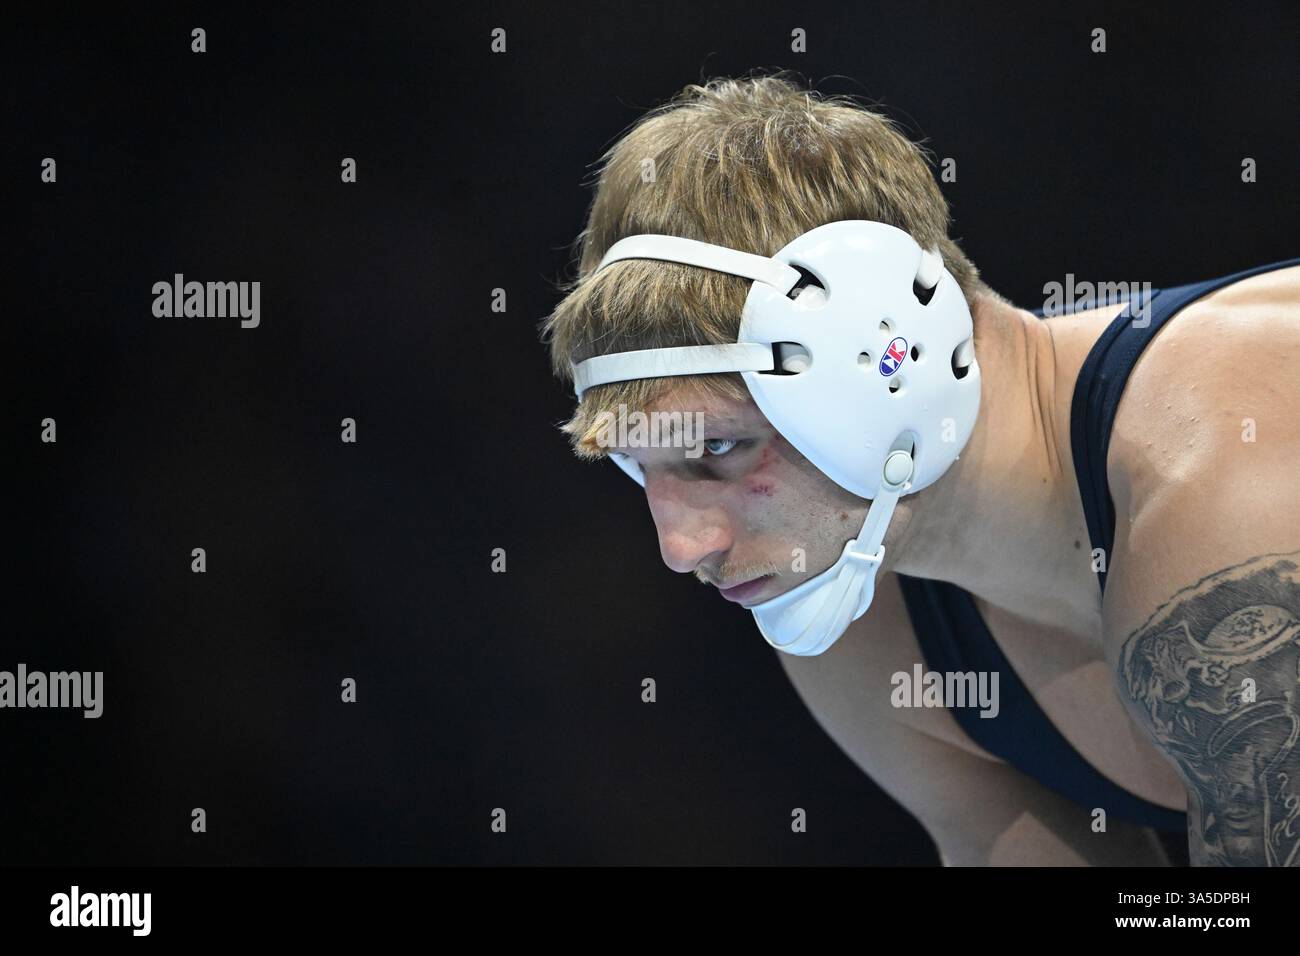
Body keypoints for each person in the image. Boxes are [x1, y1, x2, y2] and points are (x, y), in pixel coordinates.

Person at [541, 72, 1300, 866]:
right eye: (639, 466)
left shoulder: (1225, 464)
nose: (681, 547)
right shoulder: (858, 613)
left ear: (889, 359)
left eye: (717, 449)